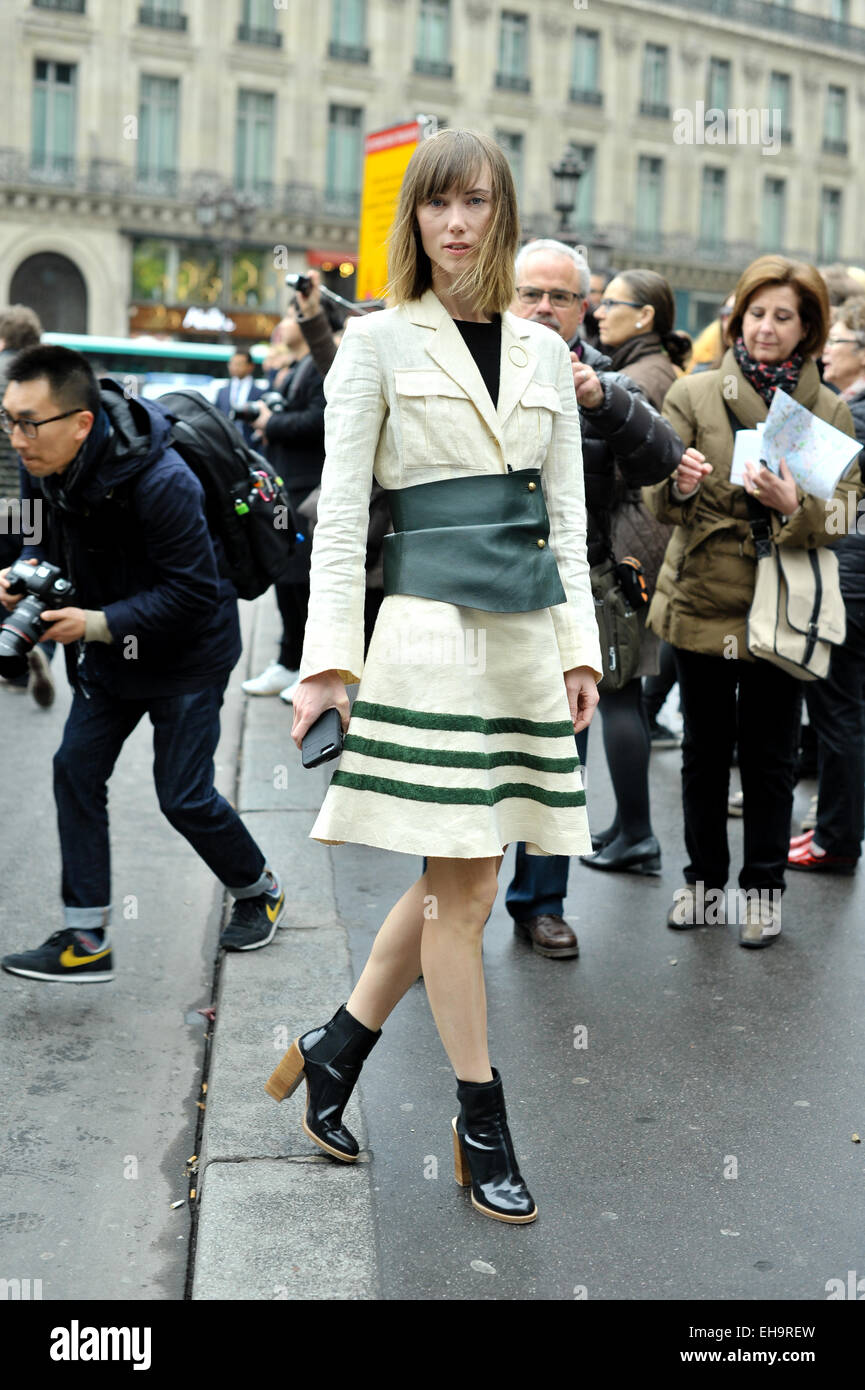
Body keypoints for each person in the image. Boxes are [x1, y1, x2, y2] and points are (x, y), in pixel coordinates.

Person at [267, 129, 602, 1225]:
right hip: (424, 639)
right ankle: (480, 1117)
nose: (455, 224)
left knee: (462, 885)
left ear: (502, 215)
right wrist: (326, 663)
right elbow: (339, 522)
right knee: (461, 893)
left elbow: (564, 517)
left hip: (522, 643)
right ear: (412, 221)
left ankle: (333, 1049)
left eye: (474, 203)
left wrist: (578, 650)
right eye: (435, 205)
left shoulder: (547, 350)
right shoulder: (372, 343)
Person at [0, 346, 285, 983]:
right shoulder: (38, 462)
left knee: (182, 796)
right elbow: (32, 535)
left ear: (80, 422)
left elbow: (193, 591)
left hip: (187, 654)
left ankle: (259, 889)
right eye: (7, 420)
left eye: (28, 422)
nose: (16, 438)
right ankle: (85, 936)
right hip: (106, 651)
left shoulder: (162, 480)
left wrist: (96, 624)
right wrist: (20, 574)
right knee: (74, 770)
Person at [644, 255, 860, 948]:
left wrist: (797, 507)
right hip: (703, 594)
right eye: (756, 313)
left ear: (807, 330)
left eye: (784, 317)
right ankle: (704, 885)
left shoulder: (819, 409)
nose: (766, 329)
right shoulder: (696, 392)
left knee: (769, 758)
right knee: (704, 753)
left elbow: (844, 515)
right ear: (736, 317)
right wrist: (676, 486)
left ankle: (763, 892)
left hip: (779, 607)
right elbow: (657, 500)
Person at [502, 239, 683, 956]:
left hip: (570, 597)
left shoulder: (606, 379)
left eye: (561, 296)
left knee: (557, 760)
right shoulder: (469, 364)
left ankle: (540, 902)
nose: (544, 308)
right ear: (506, 295)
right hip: (476, 597)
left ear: (585, 306)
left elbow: (659, 459)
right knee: (468, 757)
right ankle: (443, 912)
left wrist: (602, 400)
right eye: (530, 294)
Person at [788, 296, 865, 873]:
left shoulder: (852, 414)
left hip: (848, 580)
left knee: (838, 715)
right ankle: (836, 832)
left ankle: (835, 839)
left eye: (834, 341)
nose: (825, 351)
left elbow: (790, 465)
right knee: (845, 714)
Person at [241, 304, 326, 704]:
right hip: (285, 488)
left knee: (304, 582)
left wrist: (269, 423)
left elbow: (320, 421)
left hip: (309, 491)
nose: (283, 322)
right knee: (285, 577)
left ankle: (309, 667)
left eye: (293, 314)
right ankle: (287, 661)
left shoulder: (321, 364)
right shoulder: (294, 366)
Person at [0, 304, 55, 706]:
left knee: (3, 584)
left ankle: (11, 660)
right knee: (33, 574)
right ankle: (38, 645)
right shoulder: (44, 379)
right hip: (33, 502)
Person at [214, 348, 263, 445]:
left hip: (250, 444)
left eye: (239, 364)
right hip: (226, 444)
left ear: (250, 366)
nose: (234, 367)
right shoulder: (222, 392)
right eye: (232, 364)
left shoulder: (260, 393)